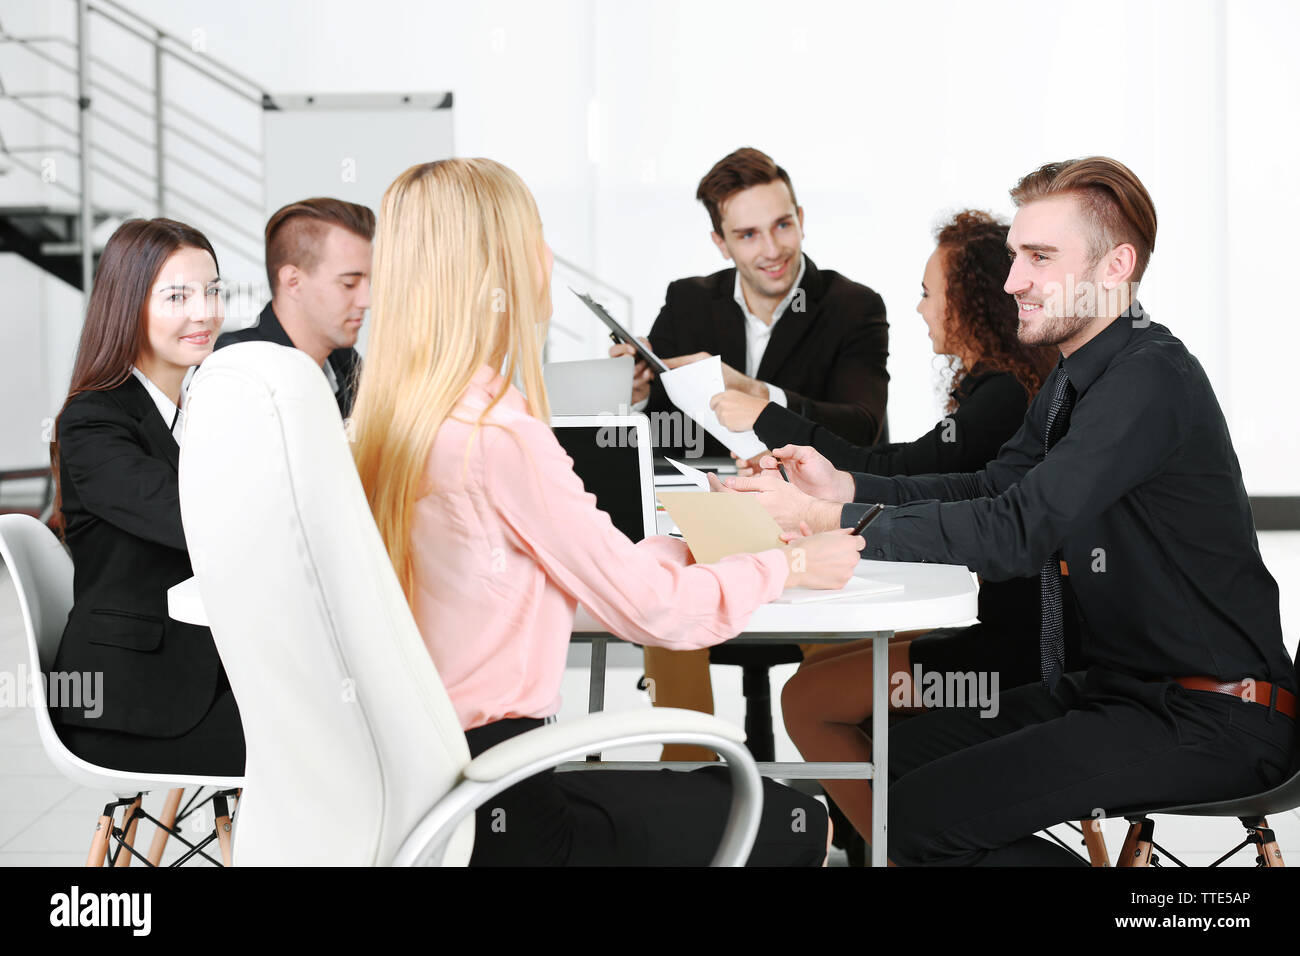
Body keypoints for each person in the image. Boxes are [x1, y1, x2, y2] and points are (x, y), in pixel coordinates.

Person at [728, 156, 1297, 865]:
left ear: (1115, 266)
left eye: (1040, 257)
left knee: (913, 821)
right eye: (1014, 256)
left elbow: (1017, 531)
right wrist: (842, 490)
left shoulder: (1149, 380)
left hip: (1212, 714)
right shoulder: (1074, 380)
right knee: (893, 760)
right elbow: (990, 488)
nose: (1012, 281)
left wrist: (833, 528)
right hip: (1117, 693)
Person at [349, 157, 866, 866]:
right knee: (802, 820)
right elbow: (655, 614)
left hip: (415, 793)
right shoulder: (498, 434)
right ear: (500, 268)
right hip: (502, 803)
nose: (549, 256)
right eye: (534, 236)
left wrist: (691, 529)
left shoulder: (385, 423)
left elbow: (595, 573)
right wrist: (792, 563)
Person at [612, 147, 889, 742]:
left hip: (809, 518)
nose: (772, 249)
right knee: (665, 587)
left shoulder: (852, 307)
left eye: (783, 224)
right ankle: (690, 775)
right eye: (748, 234)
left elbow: (862, 426)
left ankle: (836, 793)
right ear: (720, 242)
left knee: (829, 628)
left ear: (801, 217)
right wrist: (635, 393)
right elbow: (663, 429)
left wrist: (754, 392)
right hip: (715, 517)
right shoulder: (689, 299)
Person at [48, 218, 244, 776]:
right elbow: (195, 518)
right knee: (329, 754)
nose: (204, 312)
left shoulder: (204, 408)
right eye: (178, 296)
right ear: (128, 305)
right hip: (125, 699)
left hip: (201, 668)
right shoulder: (93, 420)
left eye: (212, 291)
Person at [216, 197, 374, 418]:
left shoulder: (344, 359)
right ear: (293, 282)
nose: (366, 301)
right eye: (349, 283)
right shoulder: (236, 367)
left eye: (368, 282)